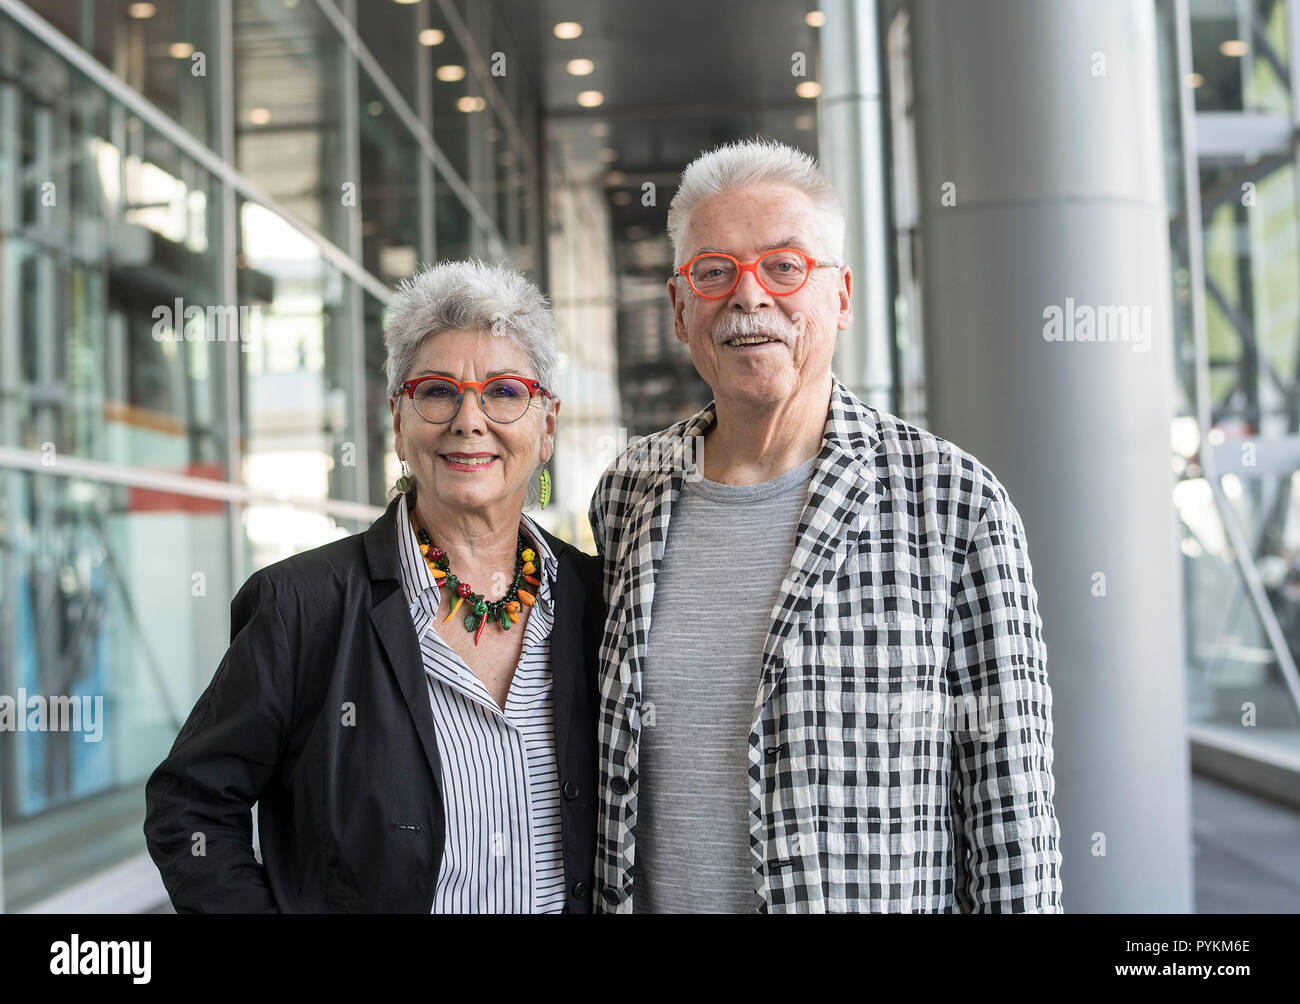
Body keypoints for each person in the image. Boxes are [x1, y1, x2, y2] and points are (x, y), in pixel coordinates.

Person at [588, 139, 1063, 913]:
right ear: (680, 309)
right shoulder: (627, 496)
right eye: (715, 272)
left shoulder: (955, 504)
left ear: (840, 295)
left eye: (784, 266)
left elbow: (1012, 825)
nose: (749, 298)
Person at [145, 260, 603, 913]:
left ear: (547, 424)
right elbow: (188, 806)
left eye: (504, 391)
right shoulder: (302, 607)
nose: (469, 419)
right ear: (397, 421)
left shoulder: (598, 603)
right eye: (437, 391)